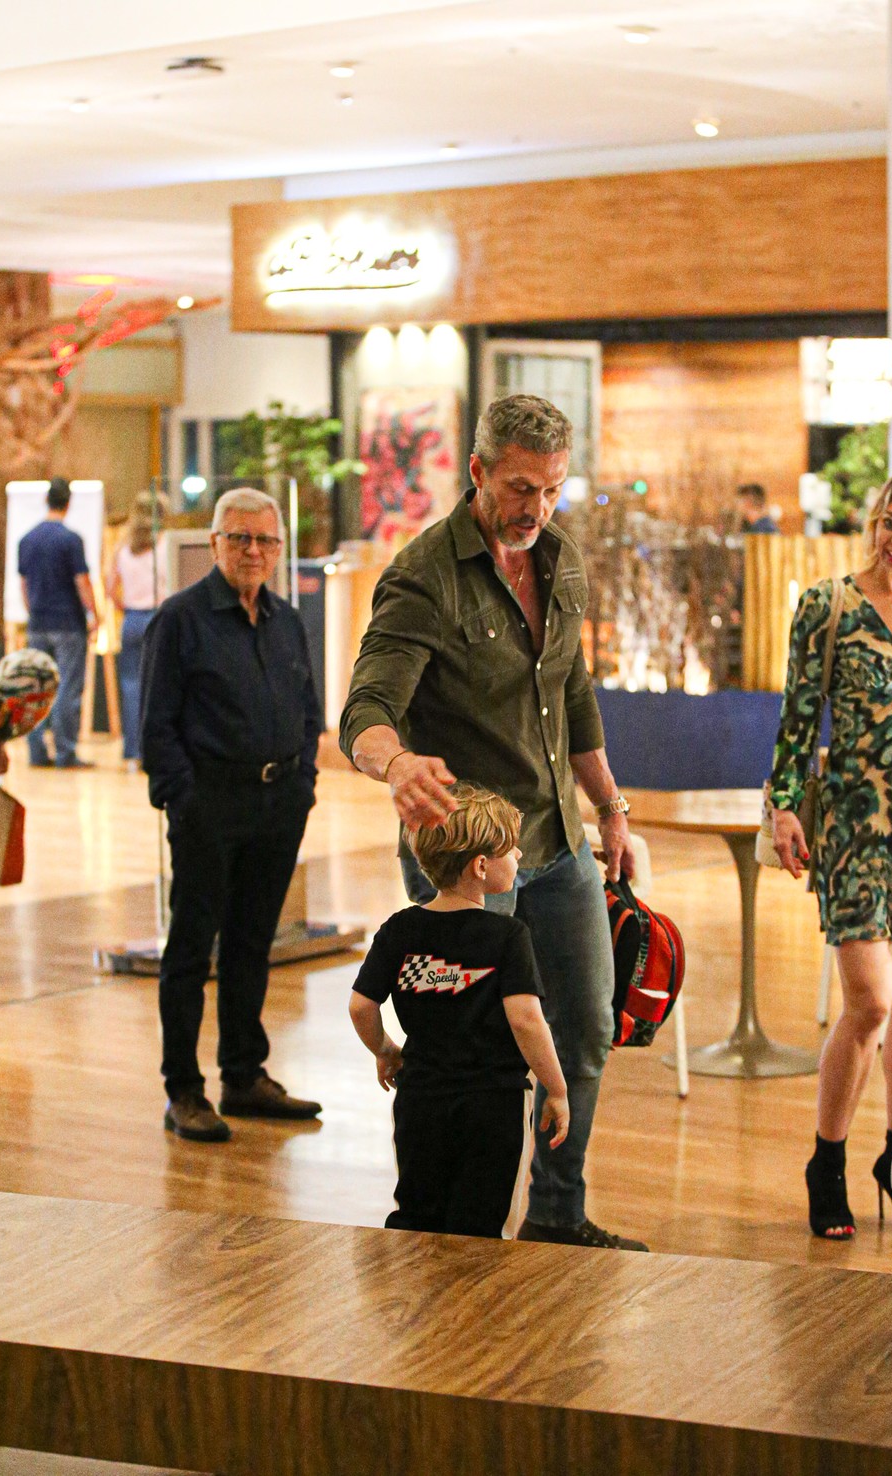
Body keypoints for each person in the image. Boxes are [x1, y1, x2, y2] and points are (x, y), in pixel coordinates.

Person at [340, 393, 648, 1252]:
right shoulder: (423, 577)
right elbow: (365, 708)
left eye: (551, 490)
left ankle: (556, 1215)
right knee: (471, 1060)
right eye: (519, 488)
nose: (535, 509)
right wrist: (397, 765)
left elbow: (571, 689)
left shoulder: (560, 559)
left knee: (584, 1029)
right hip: (470, 856)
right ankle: (452, 1233)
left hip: (557, 842)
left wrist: (610, 807)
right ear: (476, 472)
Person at [769, 466, 892, 1240]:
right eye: (891, 522)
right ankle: (827, 1160)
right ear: (874, 521)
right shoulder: (828, 605)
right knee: (871, 1002)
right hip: (856, 830)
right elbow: (797, 722)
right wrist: (784, 806)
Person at [140, 487, 322, 1143]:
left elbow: (308, 711)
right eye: (239, 537)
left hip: (279, 804)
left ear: (279, 548)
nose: (253, 550)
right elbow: (155, 728)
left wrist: (303, 784)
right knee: (192, 949)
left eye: (265, 540)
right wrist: (184, 800)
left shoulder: (286, 620)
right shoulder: (180, 620)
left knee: (252, 944)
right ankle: (183, 1091)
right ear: (215, 542)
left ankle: (243, 1076)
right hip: (209, 805)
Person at [349, 781, 569, 1238]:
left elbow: (360, 1006)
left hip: (419, 1099)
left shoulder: (399, 930)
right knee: (484, 1230)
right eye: (511, 849)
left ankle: (410, 1286)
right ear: (481, 866)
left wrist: (385, 1049)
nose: (519, 856)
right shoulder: (508, 937)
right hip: (494, 1105)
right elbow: (526, 1020)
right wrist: (557, 1086)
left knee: (417, 1217)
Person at [17, 477, 98, 768]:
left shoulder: (27, 539)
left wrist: (32, 612)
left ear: (46, 500)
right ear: (68, 503)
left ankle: (36, 751)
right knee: (68, 688)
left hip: (38, 623)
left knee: (36, 687)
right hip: (68, 624)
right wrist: (94, 613)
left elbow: (24, 585)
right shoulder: (70, 539)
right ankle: (65, 753)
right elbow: (82, 581)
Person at [107, 492, 167, 770]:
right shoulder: (164, 544)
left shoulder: (122, 548)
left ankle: (132, 750)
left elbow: (110, 588)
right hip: (157, 617)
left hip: (131, 619)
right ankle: (153, 749)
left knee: (131, 686)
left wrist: (125, 607)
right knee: (159, 686)